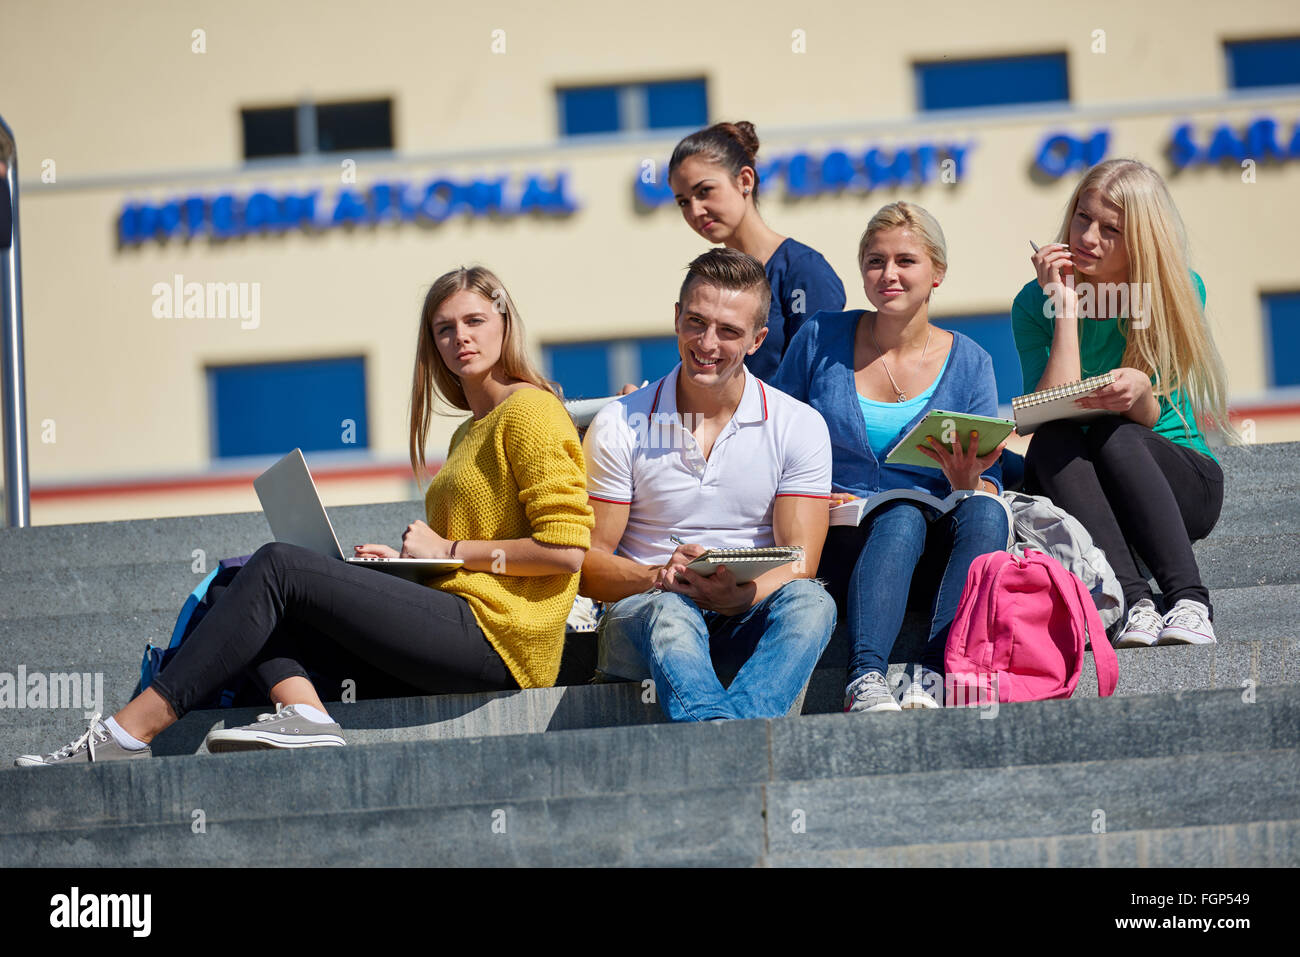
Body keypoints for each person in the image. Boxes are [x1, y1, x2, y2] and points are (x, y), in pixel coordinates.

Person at [16, 266, 593, 765]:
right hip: (455, 617)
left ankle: (125, 732)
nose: (459, 338)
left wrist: (447, 551)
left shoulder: (533, 411)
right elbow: (467, 549)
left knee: (277, 566)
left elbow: (565, 552)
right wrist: (404, 566)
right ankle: (306, 716)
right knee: (233, 588)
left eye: (473, 321)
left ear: (504, 324)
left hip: (502, 640)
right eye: (444, 328)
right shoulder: (469, 431)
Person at [771, 201, 1009, 714]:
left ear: (937, 272)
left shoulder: (971, 362)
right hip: (838, 534)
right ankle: (867, 678)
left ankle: (934, 669)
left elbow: (993, 477)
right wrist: (806, 489)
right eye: (875, 261)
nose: (888, 274)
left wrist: (969, 481)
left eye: (906, 261)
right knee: (899, 513)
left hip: (931, 547)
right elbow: (772, 431)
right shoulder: (820, 337)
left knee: (984, 510)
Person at [580, 247, 836, 722]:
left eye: (729, 331)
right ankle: (731, 736)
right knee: (672, 614)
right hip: (647, 611)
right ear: (677, 318)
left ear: (758, 339)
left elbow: (801, 561)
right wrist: (660, 577)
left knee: (813, 603)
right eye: (696, 322)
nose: (707, 343)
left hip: (748, 612)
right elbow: (588, 565)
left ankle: (721, 731)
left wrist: (745, 595)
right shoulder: (620, 422)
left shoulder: (798, 424)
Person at [1013, 158, 1232, 648]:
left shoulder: (1175, 289)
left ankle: (1191, 601)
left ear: (1140, 238)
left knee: (1118, 434)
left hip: (1177, 484)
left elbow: (1157, 419)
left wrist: (1141, 394)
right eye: (1082, 217)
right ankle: (1137, 604)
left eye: (1111, 228)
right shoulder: (1033, 303)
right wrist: (1064, 308)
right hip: (1084, 492)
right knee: (1053, 439)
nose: (1089, 237)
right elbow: (1047, 411)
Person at [667, 121, 846, 380]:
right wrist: (646, 399)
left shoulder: (803, 271)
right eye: (683, 201)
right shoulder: (705, 278)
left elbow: (818, 381)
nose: (694, 211)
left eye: (704, 191)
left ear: (744, 180)